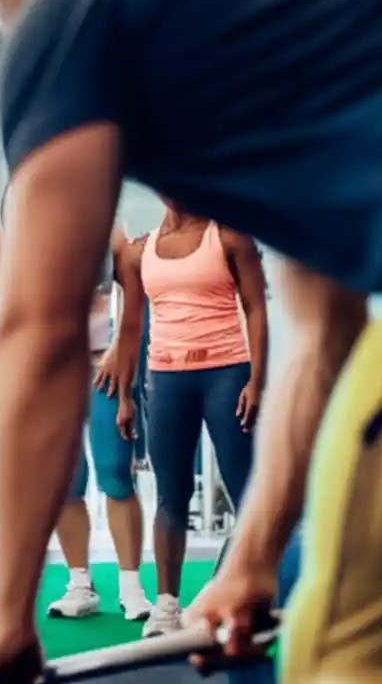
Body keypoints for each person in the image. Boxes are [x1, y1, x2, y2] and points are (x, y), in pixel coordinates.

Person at [0, 0, 382, 682]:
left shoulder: (69, 2)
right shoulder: (283, 43)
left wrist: (6, 620)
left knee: (349, 653)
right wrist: (250, 561)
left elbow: (36, 327)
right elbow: (322, 333)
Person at [134, 203, 269, 637]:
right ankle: (166, 606)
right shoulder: (144, 249)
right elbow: (133, 323)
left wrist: (257, 379)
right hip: (167, 376)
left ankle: (246, 591)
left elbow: (255, 308)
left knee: (245, 490)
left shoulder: (228, 236)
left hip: (226, 373)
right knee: (169, 496)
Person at [44, 224, 155, 623]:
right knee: (68, 481)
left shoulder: (108, 227)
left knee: (115, 474)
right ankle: (79, 584)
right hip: (57, 371)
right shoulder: (35, 220)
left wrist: (118, 350)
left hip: (103, 370)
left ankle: (131, 586)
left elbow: (134, 298)